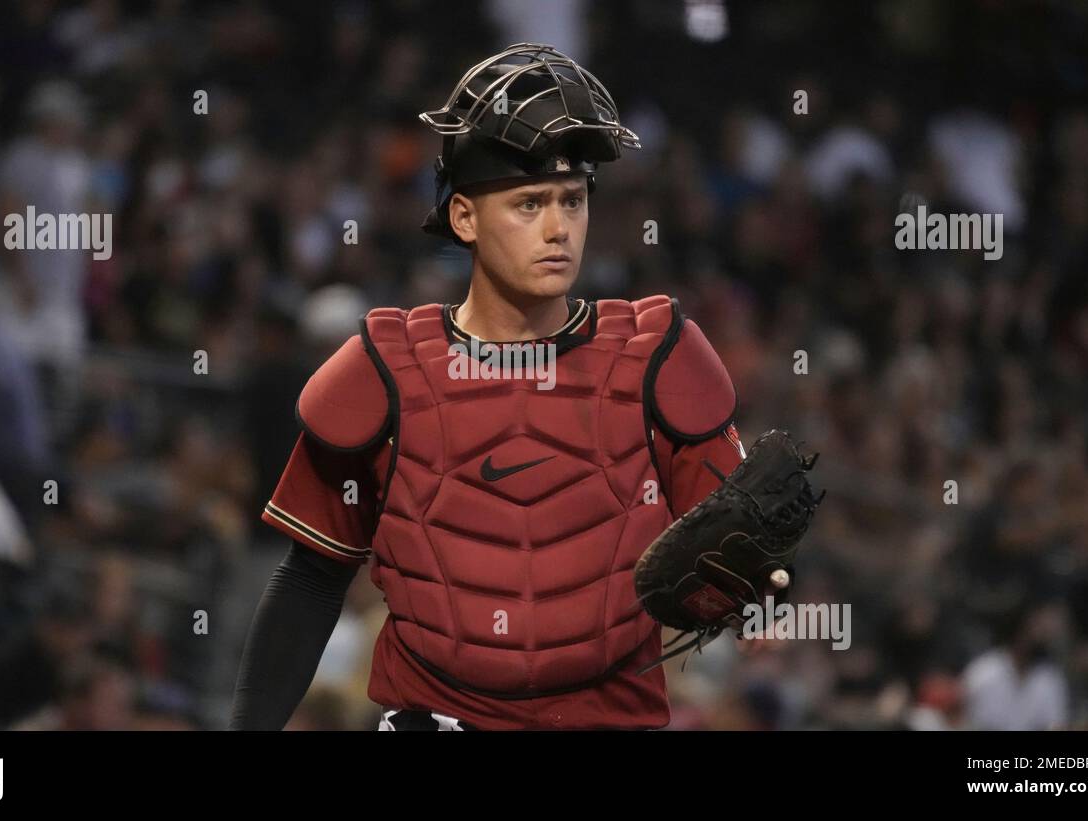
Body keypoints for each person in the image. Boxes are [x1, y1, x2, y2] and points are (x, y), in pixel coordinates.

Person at [231, 43, 756, 731]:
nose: (558, 228)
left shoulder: (659, 356)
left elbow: (742, 559)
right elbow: (310, 577)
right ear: (464, 217)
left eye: (573, 199)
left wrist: (750, 576)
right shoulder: (382, 369)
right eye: (529, 202)